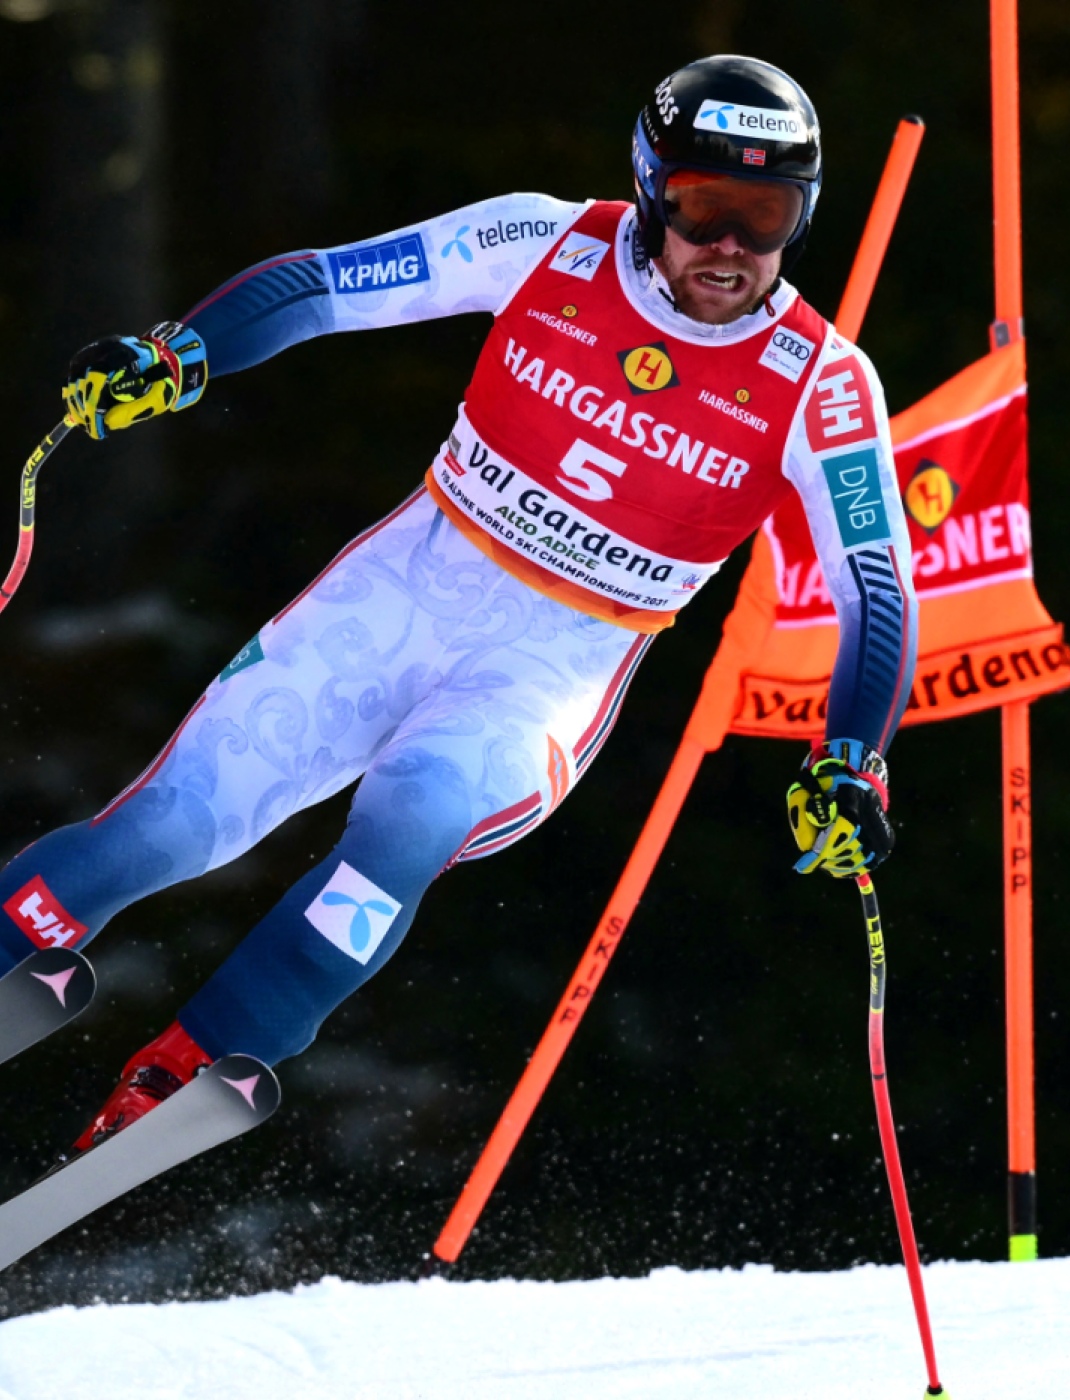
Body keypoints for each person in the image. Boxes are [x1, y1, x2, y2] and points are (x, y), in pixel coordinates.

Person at [0, 55, 915, 1154]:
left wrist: (852, 754)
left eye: (764, 217)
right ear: (648, 187)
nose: (730, 248)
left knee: (410, 820)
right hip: (398, 596)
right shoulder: (544, 242)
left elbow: (876, 590)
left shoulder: (823, 383)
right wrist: (180, 354)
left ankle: (178, 1079)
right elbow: (325, 285)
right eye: (702, 208)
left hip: (544, 671)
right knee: (163, 828)